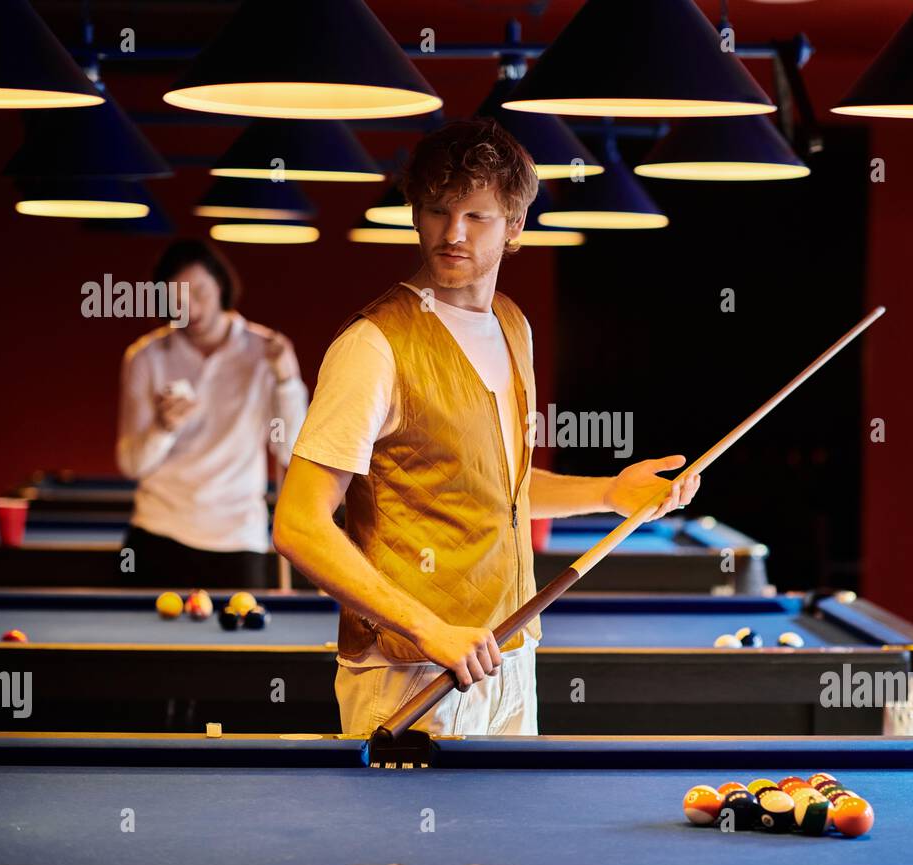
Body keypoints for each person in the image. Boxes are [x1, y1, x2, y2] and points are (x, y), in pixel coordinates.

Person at [274, 118, 700, 737]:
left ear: (515, 227)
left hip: (512, 655)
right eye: (438, 211)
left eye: (477, 216)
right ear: (415, 216)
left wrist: (609, 494)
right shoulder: (373, 345)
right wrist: (428, 628)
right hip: (415, 670)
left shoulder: (512, 324)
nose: (453, 234)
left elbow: (496, 487)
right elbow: (298, 524)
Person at [117, 239, 308, 588]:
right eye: (175, 298)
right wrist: (162, 427)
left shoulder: (265, 351)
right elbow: (132, 465)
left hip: (237, 541)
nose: (190, 307)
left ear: (221, 285)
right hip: (157, 534)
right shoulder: (146, 357)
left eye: (199, 292)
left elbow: (290, 449)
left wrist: (286, 379)